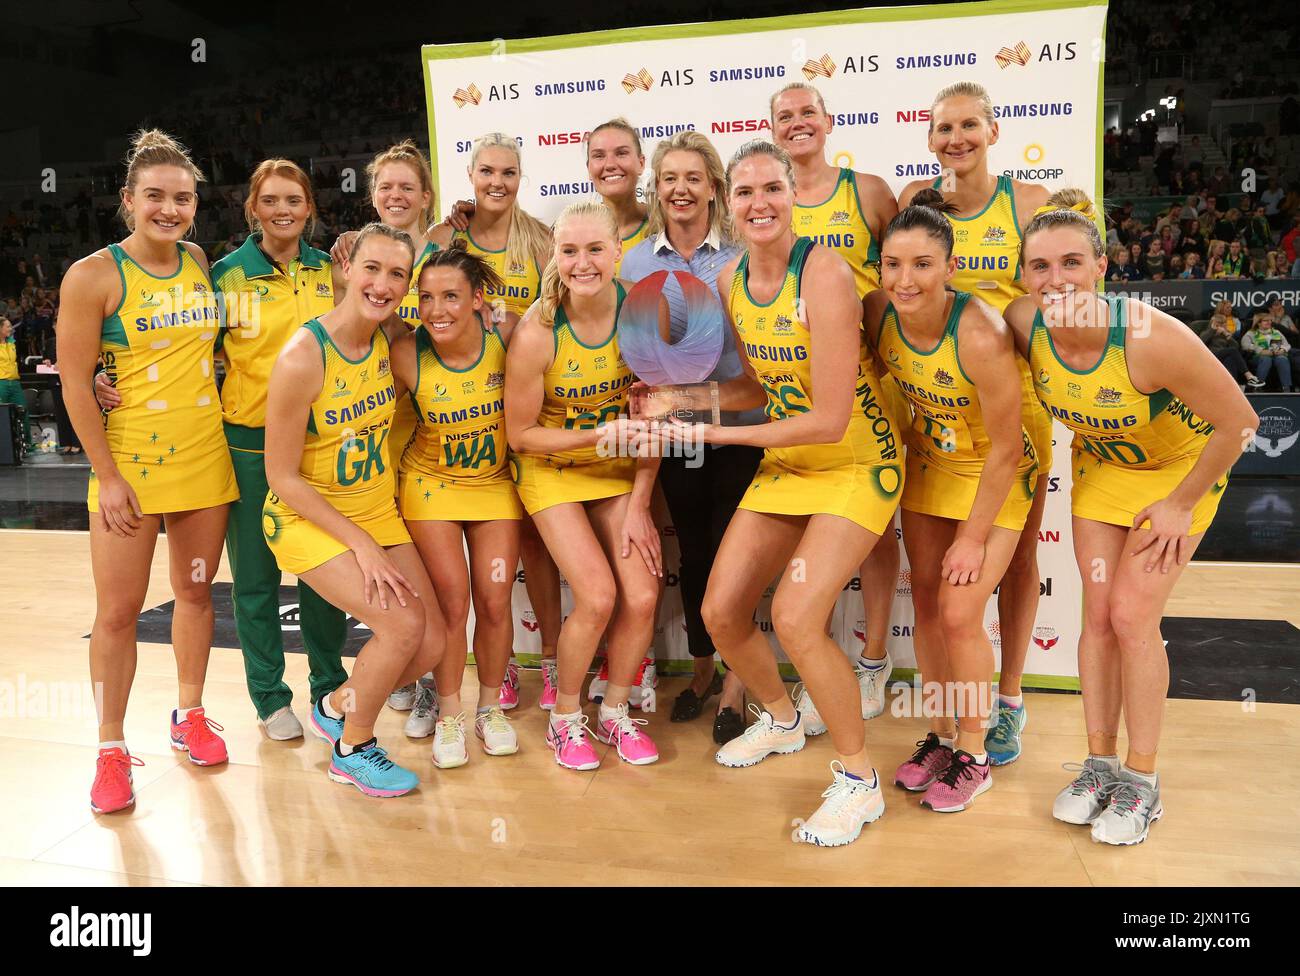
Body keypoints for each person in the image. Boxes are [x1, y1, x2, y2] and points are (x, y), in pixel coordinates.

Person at [1005, 189, 1257, 845]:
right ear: (1024, 275)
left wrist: (1181, 504)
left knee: (1130, 617)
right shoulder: (1020, 323)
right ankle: (1100, 766)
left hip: (1180, 476)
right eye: (1039, 266)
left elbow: (1239, 424)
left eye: (1070, 263)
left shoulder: (1150, 337)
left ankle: (1143, 783)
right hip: (1103, 473)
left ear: (1100, 269)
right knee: (1096, 615)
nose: (1055, 279)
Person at [685, 140, 903, 847]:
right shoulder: (729, 280)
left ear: (792, 194)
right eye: (745, 192)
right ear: (728, 202)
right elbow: (756, 387)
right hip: (791, 461)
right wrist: (682, 398)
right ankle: (781, 719)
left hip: (855, 461)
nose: (760, 203)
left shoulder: (828, 273)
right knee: (720, 610)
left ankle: (858, 782)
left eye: (772, 188)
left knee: (799, 616)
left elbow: (831, 416)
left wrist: (721, 439)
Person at [57, 130, 240, 814]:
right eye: (156, 197)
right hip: (128, 466)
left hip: (203, 457)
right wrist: (106, 476)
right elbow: (75, 385)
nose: (170, 209)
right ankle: (109, 749)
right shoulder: (92, 275)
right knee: (118, 615)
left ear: (196, 205)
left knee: (194, 598)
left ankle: (188, 715)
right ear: (129, 201)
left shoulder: (197, 259)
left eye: (183, 198)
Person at [868, 191, 1041, 811]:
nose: (905, 279)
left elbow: (1005, 448)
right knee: (934, 611)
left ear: (949, 266)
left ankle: (973, 749)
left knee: (964, 613)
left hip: (994, 473)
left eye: (921, 265)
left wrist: (972, 536)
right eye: (892, 264)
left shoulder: (981, 332)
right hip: (930, 468)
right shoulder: (876, 311)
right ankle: (941, 734)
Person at [898, 80, 1053, 765]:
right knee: (934, 587)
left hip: (1013, 403)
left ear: (993, 130)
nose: (955, 138)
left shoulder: (1028, 204)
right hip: (934, 407)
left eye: (968, 125)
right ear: (929, 139)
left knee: (1017, 558)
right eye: (942, 128)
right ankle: (949, 722)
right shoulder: (915, 206)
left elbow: (1061, 304)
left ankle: (1008, 702)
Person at [263, 222, 445, 796]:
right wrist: (360, 543)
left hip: (374, 509)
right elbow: (281, 476)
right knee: (401, 623)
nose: (383, 283)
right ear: (347, 269)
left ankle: (339, 702)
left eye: (397, 274)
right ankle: (354, 747)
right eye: (372, 268)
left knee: (434, 644)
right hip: (304, 516)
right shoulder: (302, 355)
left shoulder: (387, 344)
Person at [505, 200, 662, 770]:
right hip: (552, 469)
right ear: (555, 256)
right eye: (570, 251)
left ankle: (615, 710)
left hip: (618, 468)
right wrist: (600, 435)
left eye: (595, 249)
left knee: (643, 594)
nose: (583, 262)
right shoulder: (537, 331)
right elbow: (520, 436)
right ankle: (565, 719)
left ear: (618, 250)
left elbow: (655, 423)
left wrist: (643, 502)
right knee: (597, 597)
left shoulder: (644, 317)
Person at [618, 130, 759, 743]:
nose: (681, 188)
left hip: (738, 432)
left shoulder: (739, 257)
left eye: (693, 178)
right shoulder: (633, 262)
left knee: (734, 560)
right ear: (656, 186)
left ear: (713, 189)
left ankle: (737, 684)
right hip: (674, 439)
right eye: (670, 177)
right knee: (696, 554)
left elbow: (756, 365)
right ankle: (701, 673)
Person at [770, 80, 902, 725]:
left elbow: (908, 275)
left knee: (876, 533)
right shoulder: (766, 201)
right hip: (798, 394)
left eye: (807, 114)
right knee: (808, 537)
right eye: (784, 117)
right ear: (772, 131)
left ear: (829, 121)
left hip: (878, 386)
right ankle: (817, 667)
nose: (797, 124)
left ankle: (875, 661)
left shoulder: (869, 192)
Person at [435, 134, 568, 714]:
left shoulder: (539, 240)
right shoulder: (446, 238)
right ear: (469, 174)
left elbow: (555, 325)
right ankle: (502, 666)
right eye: (486, 170)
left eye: (508, 172)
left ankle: (557, 661)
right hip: (459, 420)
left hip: (522, 413)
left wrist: (513, 327)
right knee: (484, 569)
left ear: (520, 177)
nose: (497, 181)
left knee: (536, 548)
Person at [393, 244, 522, 765]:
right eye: (426, 297)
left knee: (494, 601)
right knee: (451, 605)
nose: (437, 310)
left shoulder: (506, 335)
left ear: (478, 300)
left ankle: (490, 710)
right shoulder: (405, 352)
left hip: (494, 485)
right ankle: (449, 715)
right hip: (430, 486)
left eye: (451, 296)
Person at [331, 142, 444, 726]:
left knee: (423, 576)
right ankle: (388, 677)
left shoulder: (447, 252)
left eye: (408, 187)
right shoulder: (355, 254)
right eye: (386, 187)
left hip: (432, 429)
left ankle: (421, 678)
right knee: (393, 581)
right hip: (372, 434)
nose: (396, 196)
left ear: (426, 196)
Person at [585, 118, 650, 273]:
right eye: (599, 156)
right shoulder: (572, 230)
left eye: (621, 153)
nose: (610, 165)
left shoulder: (665, 226)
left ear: (641, 163)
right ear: (588, 168)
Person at [0, 316, 35, 458]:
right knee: (2, 415)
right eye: (7, 326)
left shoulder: (12, 342)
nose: (10, 328)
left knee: (22, 411)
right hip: (1, 383)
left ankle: (26, 443)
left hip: (14, 383)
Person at [1200, 314, 1264, 389]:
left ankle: (1232, 386)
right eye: (1218, 324)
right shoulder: (1205, 332)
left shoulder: (1225, 334)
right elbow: (1201, 343)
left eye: (1223, 324)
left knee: (1230, 359)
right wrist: (1212, 331)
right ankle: (1249, 376)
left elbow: (1236, 348)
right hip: (1210, 356)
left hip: (1222, 356)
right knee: (1231, 351)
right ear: (1212, 324)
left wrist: (1228, 337)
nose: (1220, 326)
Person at [1241, 314, 1293, 390]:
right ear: (1258, 323)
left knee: (1282, 359)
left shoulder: (1276, 332)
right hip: (1258, 357)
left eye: (1270, 320)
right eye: (1266, 321)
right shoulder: (1251, 333)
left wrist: (1282, 350)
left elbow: (1287, 345)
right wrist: (1260, 350)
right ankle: (1258, 386)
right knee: (1266, 359)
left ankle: (1286, 387)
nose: (1269, 322)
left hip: (1276, 355)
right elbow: (1245, 345)